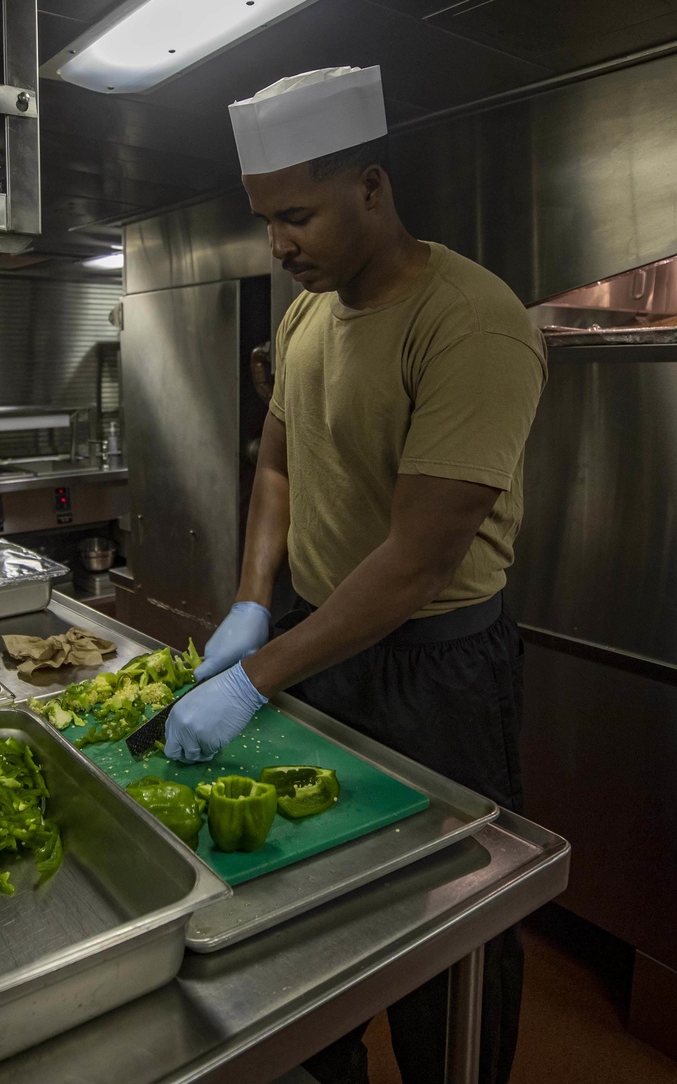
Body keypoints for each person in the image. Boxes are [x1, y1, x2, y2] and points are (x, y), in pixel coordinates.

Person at [162, 65, 547, 1084]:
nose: (278, 245)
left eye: (297, 215)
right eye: (265, 220)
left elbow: (418, 563)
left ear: (371, 186)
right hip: (317, 643)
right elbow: (278, 465)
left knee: (442, 929)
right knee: (306, 901)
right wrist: (253, 604)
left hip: (435, 674)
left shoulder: (469, 322)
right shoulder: (304, 314)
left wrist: (254, 677)